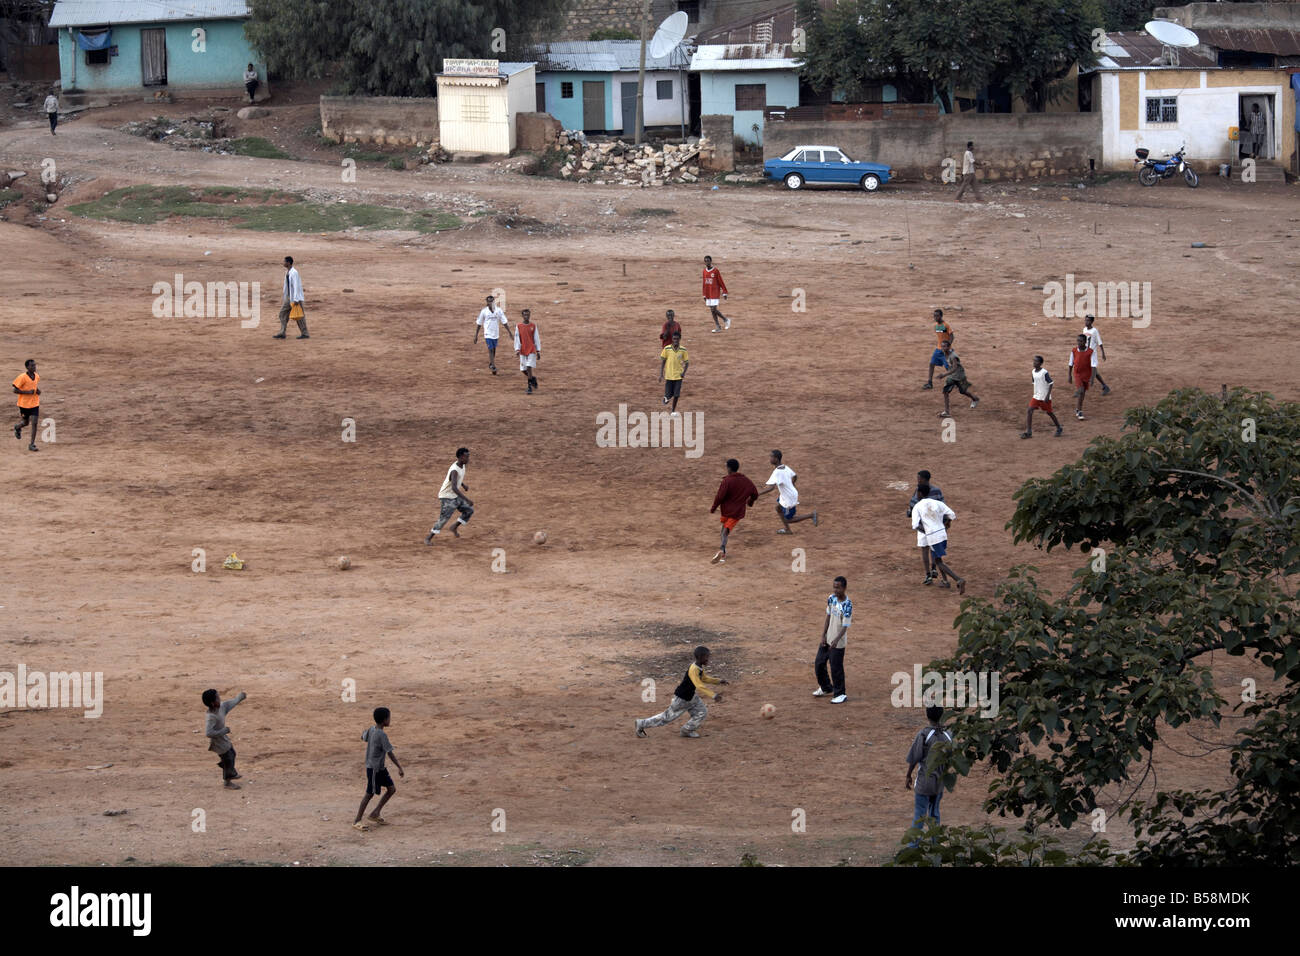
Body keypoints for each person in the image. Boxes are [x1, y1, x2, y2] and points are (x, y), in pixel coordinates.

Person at [635, 645, 728, 739]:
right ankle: (641, 723)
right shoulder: (694, 669)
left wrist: (718, 681)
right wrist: (713, 695)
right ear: (700, 657)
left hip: (691, 696)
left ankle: (687, 730)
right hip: (682, 698)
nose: (708, 659)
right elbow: (699, 685)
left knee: (702, 712)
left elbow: (704, 678)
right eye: (706, 657)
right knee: (666, 717)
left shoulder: (699, 667)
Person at [905, 705, 952, 840]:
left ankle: (913, 847)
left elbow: (914, 757)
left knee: (919, 817)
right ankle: (935, 845)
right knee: (934, 814)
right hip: (939, 782)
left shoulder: (924, 734)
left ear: (927, 716)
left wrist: (908, 775)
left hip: (924, 782)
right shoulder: (948, 734)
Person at [354, 706, 404, 831]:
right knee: (369, 794)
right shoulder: (382, 735)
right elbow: (390, 753)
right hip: (374, 769)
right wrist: (399, 767)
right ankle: (357, 820)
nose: (390, 720)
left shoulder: (371, 730)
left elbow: (362, 736)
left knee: (391, 789)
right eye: (389, 718)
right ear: (384, 720)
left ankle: (375, 813)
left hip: (378, 768)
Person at [911, 484, 964, 593]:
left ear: (919, 494)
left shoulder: (917, 506)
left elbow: (915, 525)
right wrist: (947, 523)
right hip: (942, 534)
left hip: (933, 536)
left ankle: (958, 579)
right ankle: (945, 582)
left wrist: (927, 531)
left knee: (938, 561)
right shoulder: (937, 503)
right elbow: (952, 514)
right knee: (938, 558)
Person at [709, 458, 759, 564]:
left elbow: (720, 497)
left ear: (729, 468)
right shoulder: (746, 480)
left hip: (727, 511)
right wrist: (750, 502)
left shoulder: (727, 481)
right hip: (737, 511)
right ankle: (722, 552)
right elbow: (755, 493)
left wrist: (713, 508)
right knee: (724, 531)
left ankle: (722, 551)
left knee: (725, 531)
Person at [756, 449, 818, 533]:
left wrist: (756, 494)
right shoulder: (785, 467)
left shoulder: (777, 472)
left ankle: (811, 515)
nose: (769, 458)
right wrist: (792, 484)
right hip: (786, 495)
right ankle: (787, 530)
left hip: (789, 497)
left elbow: (770, 488)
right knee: (778, 508)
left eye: (771, 457)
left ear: (776, 459)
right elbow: (795, 476)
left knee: (789, 519)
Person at [813, 575, 851, 703]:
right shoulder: (831, 599)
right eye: (834, 587)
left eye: (838, 588)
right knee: (819, 663)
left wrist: (836, 640)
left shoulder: (847, 605)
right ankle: (826, 687)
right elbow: (828, 617)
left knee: (836, 668)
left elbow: (845, 626)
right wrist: (823, 635)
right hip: (827, 639)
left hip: (838, 643)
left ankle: (840, 694)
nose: (836, 590)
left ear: (844, 588)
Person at [425, 447, 474, 542]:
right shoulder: (454, 470)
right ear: (460, 457)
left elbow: (456, 480)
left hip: (454, 495)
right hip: (447, 497)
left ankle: (454, 527)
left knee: (469, 510)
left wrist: (463, 485)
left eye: (468, 456)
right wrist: (467, 500)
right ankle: (428, 538)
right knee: (444, 519)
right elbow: (454, 487)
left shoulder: (461, 465)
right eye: (466, 457)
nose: (468, 459)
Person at [202, 688, 247, 790]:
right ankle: (227, 782)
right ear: (213, 703)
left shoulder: (221, 707)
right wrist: (224, 731)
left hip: (223, 740)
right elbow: (208, 733)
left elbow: (228, 704)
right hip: (218, 742)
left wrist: (239, 698)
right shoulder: (211, 717)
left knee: (232, 754)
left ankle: (228, 769)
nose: (220, 699)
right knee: (228, 758)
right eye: (218, 698)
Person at [907, 471, 943, 580]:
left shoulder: (919, 491)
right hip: (935, 527)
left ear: (923, 479)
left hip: (923, 527)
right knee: (934, 549)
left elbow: (912, 506)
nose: (917, 480)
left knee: (924, 549)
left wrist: (909, 513)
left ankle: (928, 575)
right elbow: (943, 506)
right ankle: (934, 568)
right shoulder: (937, 491)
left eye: (919, 478)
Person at [1022, 355, 1063, 439]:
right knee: (1029, 410)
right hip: (1036, 396)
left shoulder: (1044, 372)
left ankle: (1059, 427)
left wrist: (1047, 396)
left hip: (1044, 397)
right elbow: (1034, 382)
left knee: (1049, 412)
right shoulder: (1033, 372)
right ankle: (1029, 431)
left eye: (1036, 361)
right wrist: (1036, 393)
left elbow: (1051, 383)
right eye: (1034, 361)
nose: (1034, 362)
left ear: (1040, 363)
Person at [274, 256, 308, 339]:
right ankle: (282, 332)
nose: (283, 263)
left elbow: (296, 286)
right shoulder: (287, 272)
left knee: (299, 316)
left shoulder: (294, 272)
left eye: (284, 261)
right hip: (289, 297)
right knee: (282, 314)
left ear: (288, 263)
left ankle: (305, 333)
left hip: (295, 298)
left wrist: (296, 299)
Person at [474, 295, 509, 374]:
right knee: (490, 349)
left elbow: (504, 322)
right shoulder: (484, 311)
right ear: (487, 302)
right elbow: (479, 323)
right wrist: (476, 335)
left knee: (494, 350)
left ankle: (491, 363)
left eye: (492, 301)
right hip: (487, 334)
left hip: (496, 334)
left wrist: (510, 333)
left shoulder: (499, 310)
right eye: (489, 301)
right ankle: (493, 366)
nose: (491, 302)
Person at [12, 358, 41, 452]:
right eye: (32, 365)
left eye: (35, 365)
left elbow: (34, 386)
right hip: (24, 404)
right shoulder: (22, 377)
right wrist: (27, 392)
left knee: (35, 422)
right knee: (26, 423)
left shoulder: (36, 376)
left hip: (34, 403)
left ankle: (32, 444)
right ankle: (17, 427)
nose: (34, 367)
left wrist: (37, 391)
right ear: (27, 367)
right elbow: (15, 390)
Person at [939, 351, 979, 417]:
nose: (943, 348)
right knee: (945, 392)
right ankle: (946, 411)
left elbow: (954, 368)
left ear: (948, 347)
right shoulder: (944, 355)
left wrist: (944, 374)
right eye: (942, 346)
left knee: (963, 391)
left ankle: (975, 399)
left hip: (959, 376)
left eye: (944, 346)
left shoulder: (953, 356)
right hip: (951, 377)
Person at [1068, 333, 1097, 421]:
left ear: (1085, 342)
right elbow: (1070, 363)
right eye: (1078, 341)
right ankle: (1080, 411)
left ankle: (1078, 408)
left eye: (1080, 341)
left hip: (1086, 374)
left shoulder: (1091, 352)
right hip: (1078, 374)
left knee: (1083, 393)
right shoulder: (1074, 351)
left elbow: (1094, 365)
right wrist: (1069, 375)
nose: (1079, 343)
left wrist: (1092, 378)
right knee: (1080, 391)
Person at [659, 329, 689, 414]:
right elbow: (663, 361)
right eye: (674, 339)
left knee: (676, 395)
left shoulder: (683, 350)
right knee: (669, 394)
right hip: (668, 375)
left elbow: (687, 363)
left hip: (678, 376)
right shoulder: (667, 349)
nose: (675, 340)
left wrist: (683, 373)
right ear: (672, 339)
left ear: (680, 339)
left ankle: (673, 410)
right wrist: (661, 373)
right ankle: (667, 397)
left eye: (677, 339)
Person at [922, 309, 954, 389]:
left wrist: (948, 347)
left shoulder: (946, 325)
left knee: (948, 367)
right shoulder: (936, 325)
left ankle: (955, 382)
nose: (935, 317)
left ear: (941, 316)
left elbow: (952, 336)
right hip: (938, 349)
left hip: (946, 350)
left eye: (937, 316)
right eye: (934, 316)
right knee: (931, 364)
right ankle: (930, 383)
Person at [513, 308, 541, 393]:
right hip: (523, 350)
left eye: (528, 315)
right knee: (523, 369)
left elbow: (536, 338)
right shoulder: (519, 326)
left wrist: (538, 350)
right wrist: (517, 349)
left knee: (529, 367)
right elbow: (517, 338)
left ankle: (529, 387)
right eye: (525, 315)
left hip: (531, 349)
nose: (526, 316)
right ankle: (532, 378)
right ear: (522, 316)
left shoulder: (533, 326)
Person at [1081, 314, 1111, 394]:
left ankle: (1090, 381)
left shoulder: (1094, 331)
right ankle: (1105, 386)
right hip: (1086, 353)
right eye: (1085, 320)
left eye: (1088, 320)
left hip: (1092, 353)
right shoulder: (1084, 330)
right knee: (1095, 372)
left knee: (1093, 367)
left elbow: (1099, 342)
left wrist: (1103, 353)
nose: (1086, 322)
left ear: (1091, 322)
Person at [702, 255, 731, 332]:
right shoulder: (704, 271)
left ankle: (725, 319)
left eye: (708, 261)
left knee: (713, 308)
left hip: (715, 292)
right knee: (712, 311)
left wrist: (724, 292)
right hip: (708, 293)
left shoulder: (715, 271)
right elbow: (704, 283)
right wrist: (704, 294)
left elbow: (720, 281)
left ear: (711, 261)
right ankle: (718, 326)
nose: (707, 262)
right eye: (705, 261)